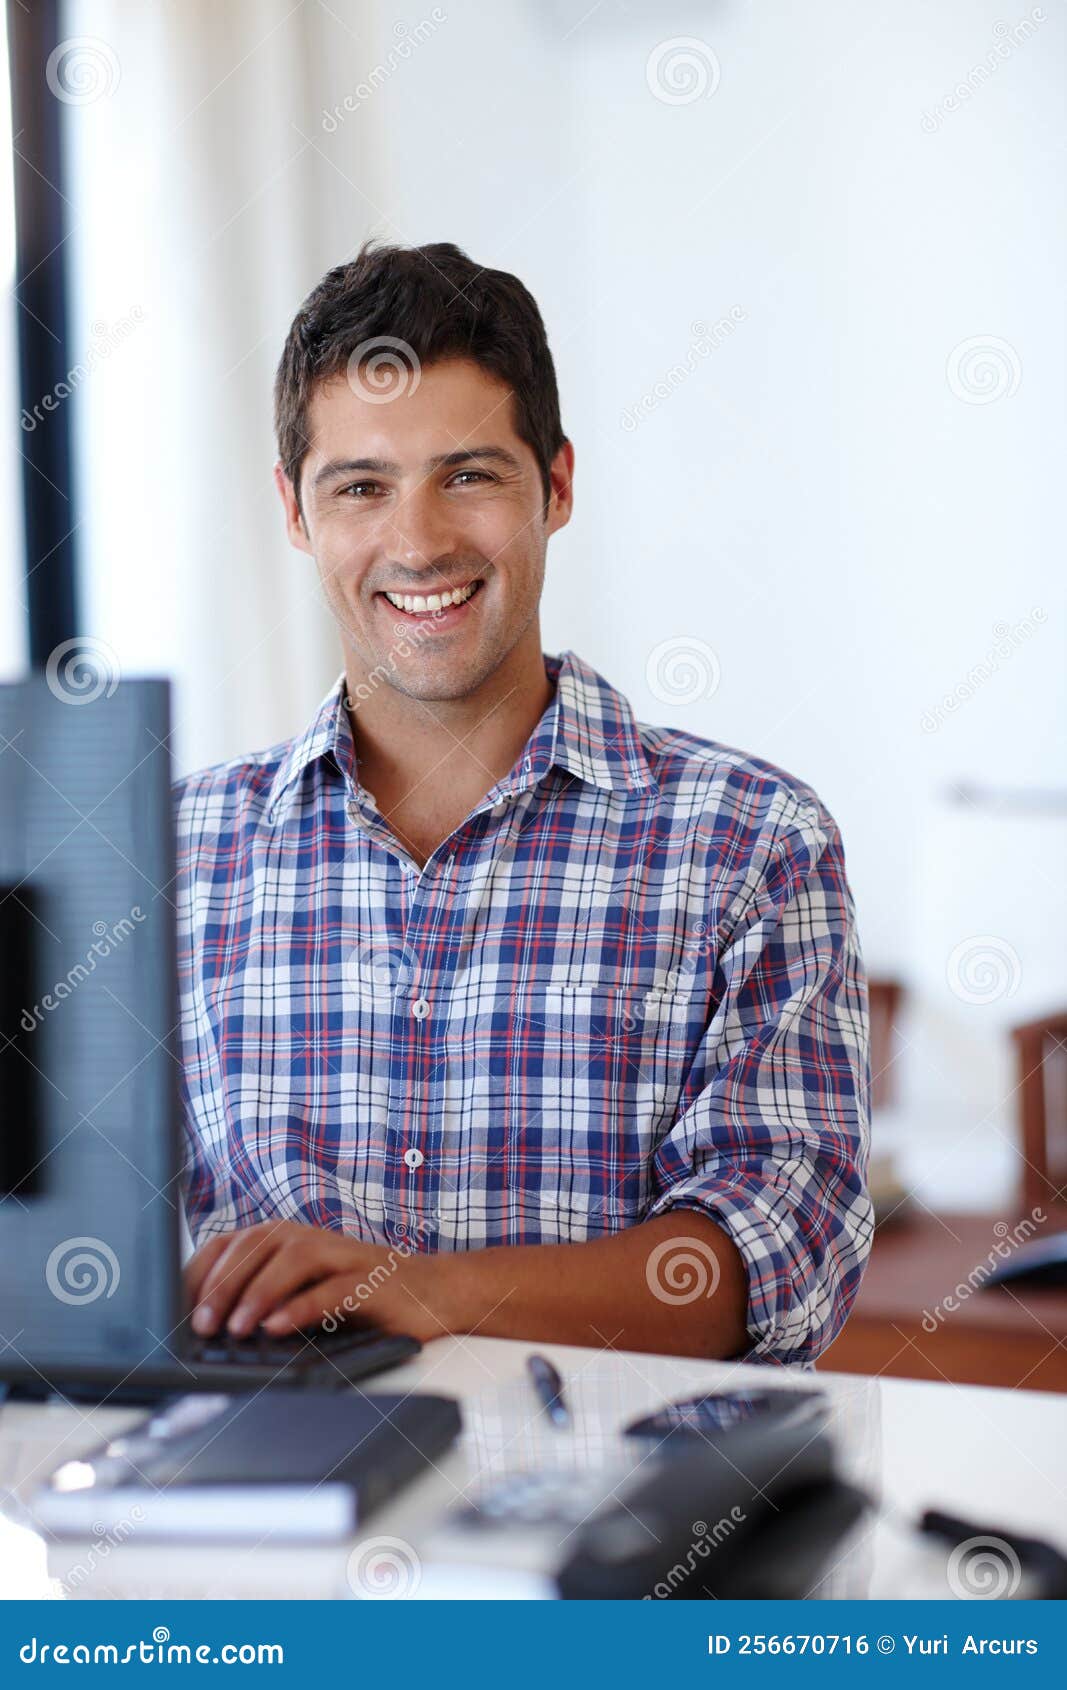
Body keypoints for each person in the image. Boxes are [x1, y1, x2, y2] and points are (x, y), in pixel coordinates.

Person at [177, 241, 872, 1363]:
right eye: (361, 486)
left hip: (622, 1517)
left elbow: (777, 1256)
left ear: (553, 485)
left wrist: (427, 1293)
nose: (417, 542)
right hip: (258, 1512)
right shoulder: (177, 853)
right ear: (296, 513)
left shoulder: (751, 842)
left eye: (467, 475)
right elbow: (89, 1249)